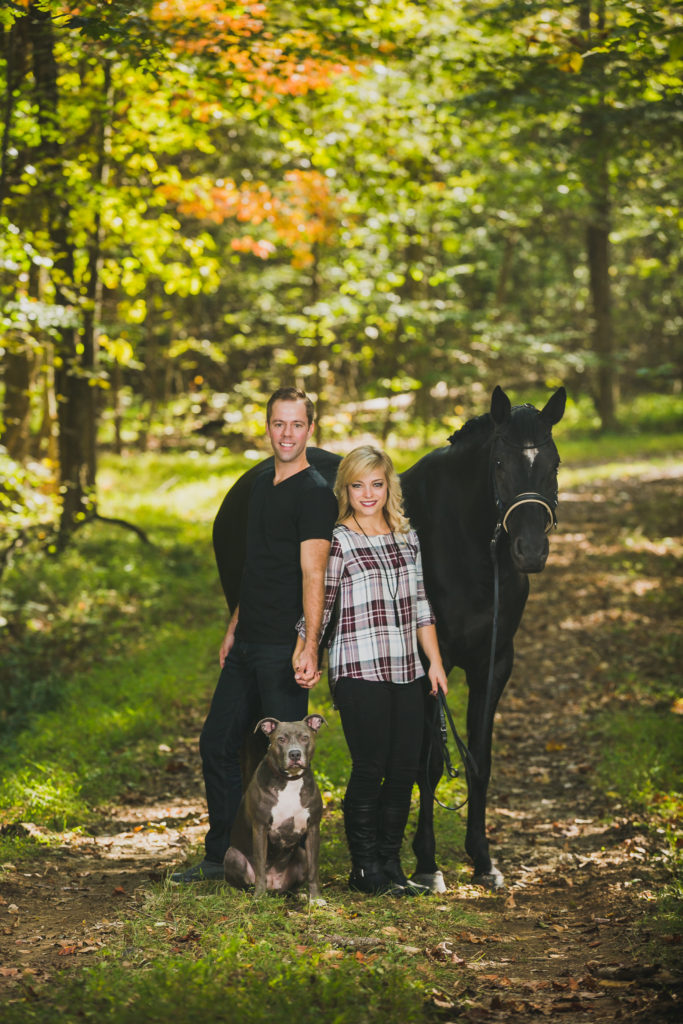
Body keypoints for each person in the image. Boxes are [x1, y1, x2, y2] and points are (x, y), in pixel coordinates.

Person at [172, 386, 337, 882]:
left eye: (297, 424)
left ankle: (287, 868)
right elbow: (255, 567)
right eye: (278, 424)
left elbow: (314, 575)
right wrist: (232, 626)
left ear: (310, 428)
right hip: (246, 644)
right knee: (217, 743)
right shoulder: (263, 486)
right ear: (267, 427)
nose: (287, 434)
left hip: (282, 650)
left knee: (291, 762)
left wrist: (308, 643)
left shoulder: (313, 494)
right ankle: (221, 856)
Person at [294, 445, 448, 895]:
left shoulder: (407, 537)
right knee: (370, 766)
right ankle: (364, 869)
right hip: (359, 669)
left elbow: (422, 603)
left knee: (404, 769)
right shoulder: (338, 539)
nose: (368, 494)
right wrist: (307, 650)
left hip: (406, 669)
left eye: (376, 484)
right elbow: (318, 603)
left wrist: (434, 662)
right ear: (345, 488)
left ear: (388, 487)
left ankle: (390, 866)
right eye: (358, 485)